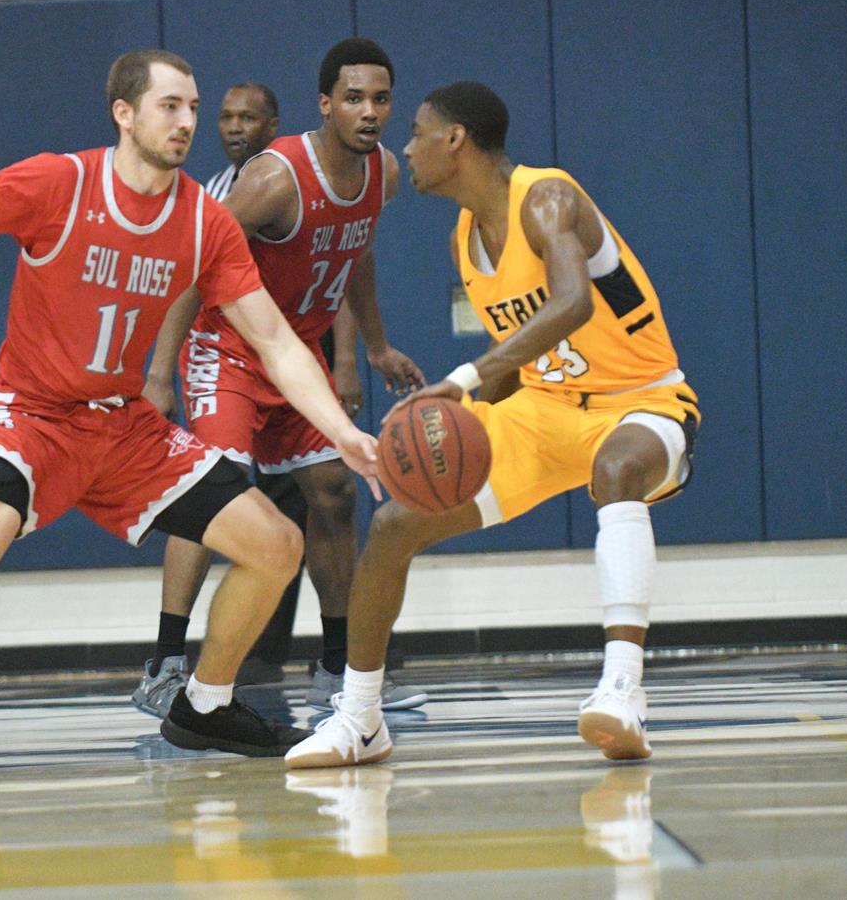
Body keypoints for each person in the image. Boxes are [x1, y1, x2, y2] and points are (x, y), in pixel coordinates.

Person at [0, 49, 381, 787]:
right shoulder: (59, 183)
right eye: (171, 106)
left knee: (276, 543)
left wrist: (343, 431)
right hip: (33, 416)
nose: (187, 121)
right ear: (124, 114)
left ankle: (205, 703)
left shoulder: (203, 220)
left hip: (125, 429)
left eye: (193, 107)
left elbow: (277, 340)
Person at [286, 80, 700, 769]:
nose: (406, 147)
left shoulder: (547, 197)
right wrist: (453, 413)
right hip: (544, 411)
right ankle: (360, 719)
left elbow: (570, 306)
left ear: (456, 140)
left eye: (417, 132)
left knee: (616, 471)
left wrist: (462, 381)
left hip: (641, 400)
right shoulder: (463, 240)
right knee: (394, 526)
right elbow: (518, 361)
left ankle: (623, 691)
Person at [132, 39, 429, 721]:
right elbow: (191, 262)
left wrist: (374, 347)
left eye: (381, 98)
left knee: (333, 494)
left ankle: (335, 669)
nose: (370, 111)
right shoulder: (275, 179)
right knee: (214, 497)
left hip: (295, 354)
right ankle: (165, 665)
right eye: (354, 98)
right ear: (325, 104)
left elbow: (356, 254)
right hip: (228, 350)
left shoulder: (380, 172)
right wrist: (158, 373)